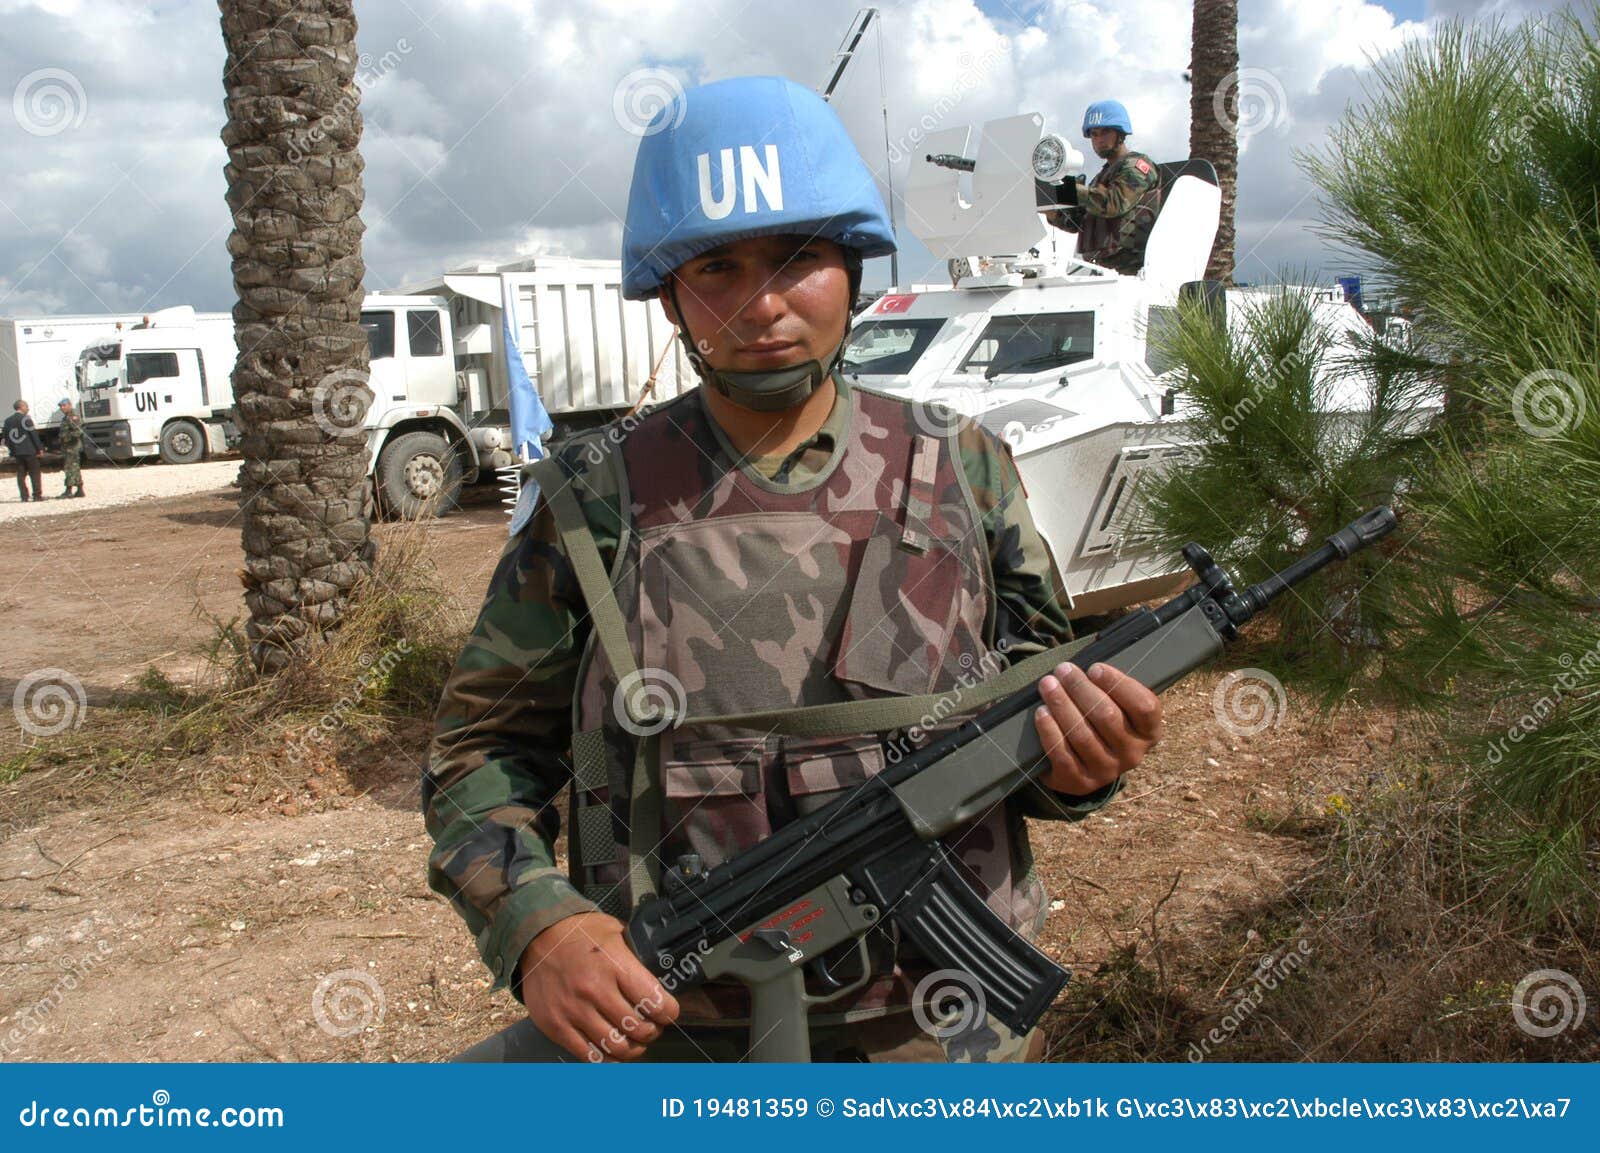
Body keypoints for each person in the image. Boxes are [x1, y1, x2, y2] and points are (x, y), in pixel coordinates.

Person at [425, 75, 1163, 1064]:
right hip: (673, 1030)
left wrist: (1082, 762)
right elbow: (481, 751)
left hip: (938, 1025)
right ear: (668, 296)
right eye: (718, 268)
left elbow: (1042, 704)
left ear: (854, 269)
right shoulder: (594, 498)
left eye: (799, 258)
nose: (762, 304)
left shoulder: (961, 464)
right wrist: (538, 924)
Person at [1047, 99, 1162, 275]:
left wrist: (1068, 189)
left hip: (1132, 268)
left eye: (1105, 132)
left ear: (1121, 134)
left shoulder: (1138, 166)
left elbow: (1114, 203)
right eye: (1094, 134)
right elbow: (1078, 222)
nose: (1099, 140)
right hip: (1101, 268)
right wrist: (1052, 208)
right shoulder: (1101, 178)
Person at [4, 399, 44, 502]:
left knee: (21, 474)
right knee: (34, 473)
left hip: (17, 452)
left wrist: (12, 450)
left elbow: (7, 438)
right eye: (26, 406)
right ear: (21, 407)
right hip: (30, 451)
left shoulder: (8, 421)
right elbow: (33, 435)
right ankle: (37, 495)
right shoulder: (26, 419)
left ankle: (24, 496)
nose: (28, 408)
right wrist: (39, 449)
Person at [56, 397, 85, 499]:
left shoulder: (73, 417)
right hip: (68, 447)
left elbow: (78, 431)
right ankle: (80, 490)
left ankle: (68, 490)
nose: (62, 408)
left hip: (72, 447)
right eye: (61, 406)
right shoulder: (66, 417)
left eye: (64, 405)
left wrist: (66, 438)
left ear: (69, 405)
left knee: (69, 468)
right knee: (74, 468)